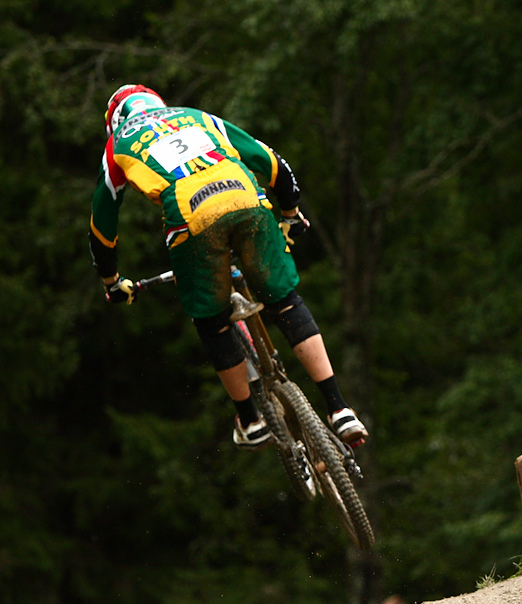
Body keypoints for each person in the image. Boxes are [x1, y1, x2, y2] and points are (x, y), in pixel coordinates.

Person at [89, 84, 368, 450]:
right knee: (285, 301)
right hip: (244, 194)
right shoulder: (195, 116)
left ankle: (251, 421)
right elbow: (269, 161)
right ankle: (340, 408)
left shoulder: (117, 145)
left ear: (116, 122)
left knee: (213, 322)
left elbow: (102, 225)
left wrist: (112, 280)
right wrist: (291, 212)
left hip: (192, 214)